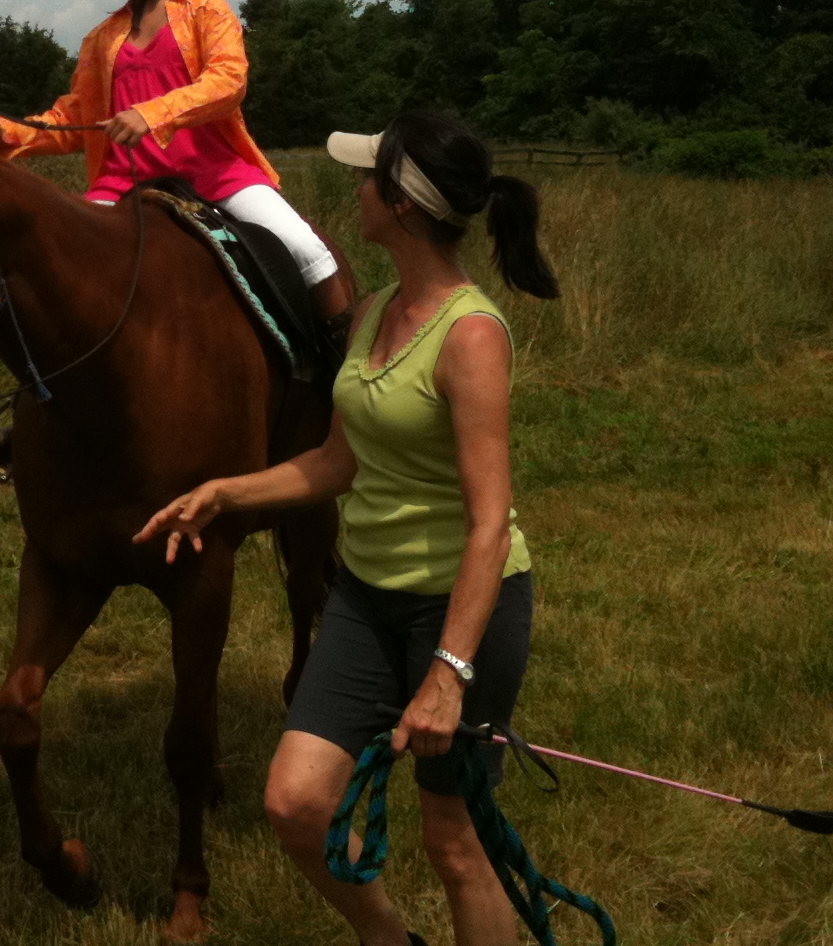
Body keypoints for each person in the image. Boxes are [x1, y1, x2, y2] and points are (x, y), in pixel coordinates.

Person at [135, 110, 560, 946]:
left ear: (402, 203)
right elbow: (337, 461)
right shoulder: (371, 312)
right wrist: (226, 492)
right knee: (295, 804)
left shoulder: (470, 335)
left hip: (461, 609)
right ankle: (390, 939)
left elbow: (487, 524)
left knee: (454, 841)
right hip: (365, 598)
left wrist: (446, 674)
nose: (354, 189)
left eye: (369, 178)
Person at [0, 0, 351, 474]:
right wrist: (5, 135)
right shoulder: (103, 38)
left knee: (310, 255)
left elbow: (229, 80)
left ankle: (349, 397)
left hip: (218, 176)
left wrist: (154, 113)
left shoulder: (206, 9)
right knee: (50, 281)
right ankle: (31, 421)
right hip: (122, 187)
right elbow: (75, 118)